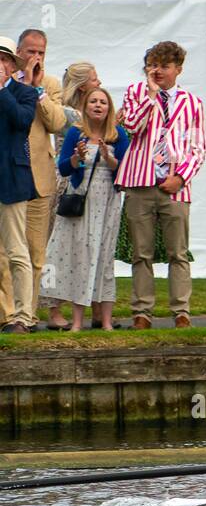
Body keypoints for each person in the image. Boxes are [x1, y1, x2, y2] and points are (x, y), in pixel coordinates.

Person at [117, 40, 206, 330]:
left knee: (177, 252)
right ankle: (142, 312)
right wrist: (151, 97)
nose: (157, 71)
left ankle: (181, 311)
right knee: (141, 252)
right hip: (140, 182)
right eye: (152, 65)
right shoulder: (135, 93)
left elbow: (198, 148)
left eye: (164, 66)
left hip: (176, 186)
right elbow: (131, 127)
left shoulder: (193, 103)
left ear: (178, 69)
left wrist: (180, 177)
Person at [40, 88, 129, 331]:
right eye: (93, 101)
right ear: (86, 106)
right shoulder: (75, 133)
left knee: (104, 257)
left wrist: (107, 157)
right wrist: (77, 158)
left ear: (108, 107)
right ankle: (75, 320)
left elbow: (124, 169)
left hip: (108, 201)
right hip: (81, 200)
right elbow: (65, 168)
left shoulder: (118, 134)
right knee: (78, 255)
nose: (98, 105)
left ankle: (107, 321)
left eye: (103, 102)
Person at [7, 29, 66, 332]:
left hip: (40, 178)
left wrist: (38, 89)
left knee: (34, 252)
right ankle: (7, 314)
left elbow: (57, 123)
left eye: (41, 52)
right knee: (6, 250)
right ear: (18, 52)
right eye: (30, 52)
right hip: (9, 175)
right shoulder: (6, 84)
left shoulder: (51, 84)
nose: (36, 58)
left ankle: (27, 316)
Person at [45, 61, 104, 330]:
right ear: (83, 87)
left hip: (93, 186)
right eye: (94, 79)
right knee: (58, 249)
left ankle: (93, 306)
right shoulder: (69, 115)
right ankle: (54, 309)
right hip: (68, 185)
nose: (100, 83)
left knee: (91, 248)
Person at [0, 36, 39, 333]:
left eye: (3, 60)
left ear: (13, 65)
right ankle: (4, 314)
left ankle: (24, 317)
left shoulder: (24, 93)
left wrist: (2, 90)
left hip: (12, 181)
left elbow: (22, 121)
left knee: (17, 252)